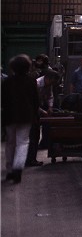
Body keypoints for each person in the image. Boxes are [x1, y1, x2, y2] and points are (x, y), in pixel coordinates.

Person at [2, 54, 40, 184]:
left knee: (10, 143)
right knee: (22, 143)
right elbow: (36, 100)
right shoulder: (31, 81)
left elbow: (3, 100)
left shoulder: (7, 82)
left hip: (9, 116)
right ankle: (18, 168)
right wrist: (34, 114)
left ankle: (9, 170)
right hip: (26, 116)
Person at [26, 69, 60, 166]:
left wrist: (50, 107)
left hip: (36, 109)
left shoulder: (48, 85)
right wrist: (42, 111)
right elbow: (32, 103)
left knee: (36, 136)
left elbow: (50, 96)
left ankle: (32, 159)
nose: (52, 85)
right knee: (32, 136)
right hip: (30, 111)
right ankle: (29, 160)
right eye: (52, 82)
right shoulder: (36, 84)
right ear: (48, 78)